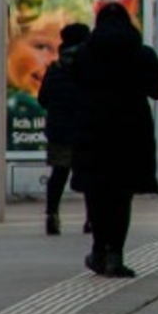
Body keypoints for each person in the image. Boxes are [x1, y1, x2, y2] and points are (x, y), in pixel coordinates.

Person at [69, 2, 158, 278]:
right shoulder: (141, 54)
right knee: (121, 197)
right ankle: (115, 254)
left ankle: (98, 249)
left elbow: (72, 87)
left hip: (92, 134)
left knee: (97, 194)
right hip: (130, 135)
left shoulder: (84, 55)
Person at [38, 23, 92, 236]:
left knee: (59, 173)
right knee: (89, 174)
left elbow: (43, 99)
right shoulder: (90, 68)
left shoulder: (55, 68)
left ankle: (52, 214)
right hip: (86, 128)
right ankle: (91, 219)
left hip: (60, 129)